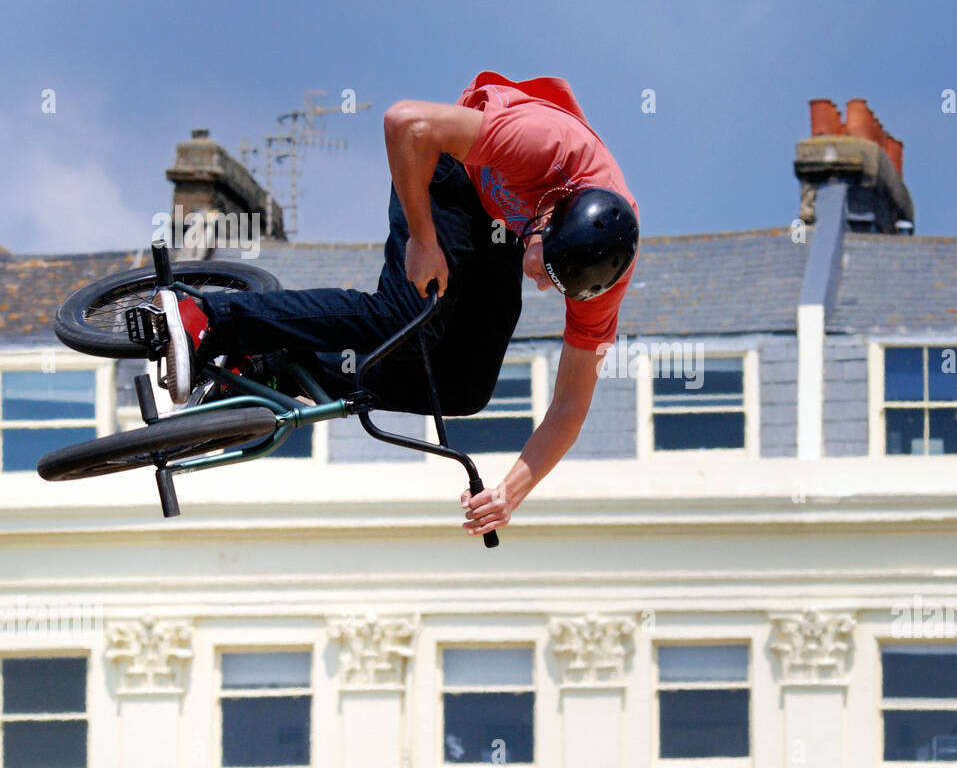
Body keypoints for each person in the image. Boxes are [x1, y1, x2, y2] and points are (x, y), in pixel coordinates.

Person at [151, 71, 639, 540]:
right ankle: (209, 320)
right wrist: (423, 240)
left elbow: (571, 406)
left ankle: (276, 369)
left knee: (465, 387)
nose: (539, 285)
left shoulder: (603, 273)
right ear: (549, 217)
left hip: (500, 221)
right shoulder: (542, 143)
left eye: (554, 284)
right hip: (447, 164)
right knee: (404, 316)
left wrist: (510, 494)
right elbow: (405, 122)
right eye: (543, 268)